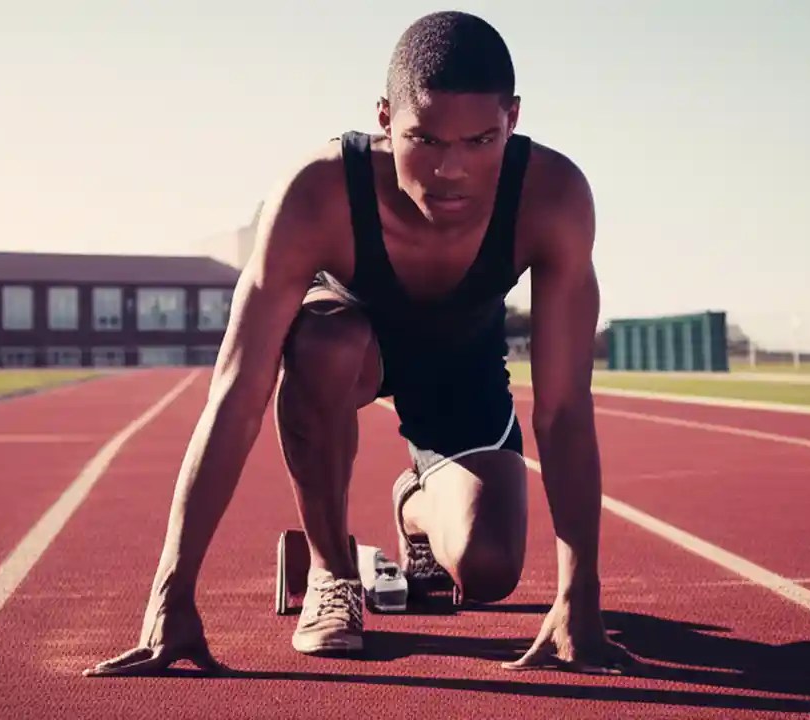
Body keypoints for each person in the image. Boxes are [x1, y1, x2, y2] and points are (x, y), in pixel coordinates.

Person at [85, 10, 631, 676]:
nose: (451, 169)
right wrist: (172, 591)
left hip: (463, 367)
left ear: (513, 119)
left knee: (489, 571)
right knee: (323, 344)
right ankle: (331, 572)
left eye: (481, 140)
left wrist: (581, 594)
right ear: (383, 118)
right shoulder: (318, 195)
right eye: (424, 139)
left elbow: (566, 407)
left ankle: (413, 507)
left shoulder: (553, 197)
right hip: (353, 342)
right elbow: (237, 395)